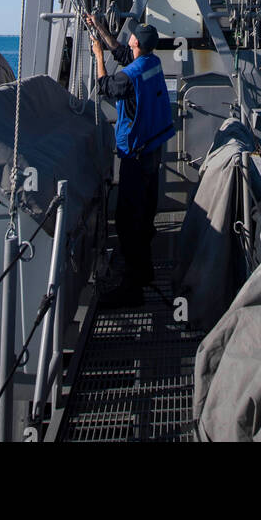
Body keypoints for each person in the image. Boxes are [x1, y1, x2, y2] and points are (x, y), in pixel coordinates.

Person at [90, 21, 174, 307]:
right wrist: (99, 27)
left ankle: (132, 287)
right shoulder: (152, 62)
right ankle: (146, 271)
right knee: (145, 215)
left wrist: (98, 57)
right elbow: (124, 54)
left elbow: (105, 87)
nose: (131, 40)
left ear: (137, 41)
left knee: (128, 223)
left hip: (135, 156)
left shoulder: (131, 76)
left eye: (133, 37)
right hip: (152, 151)